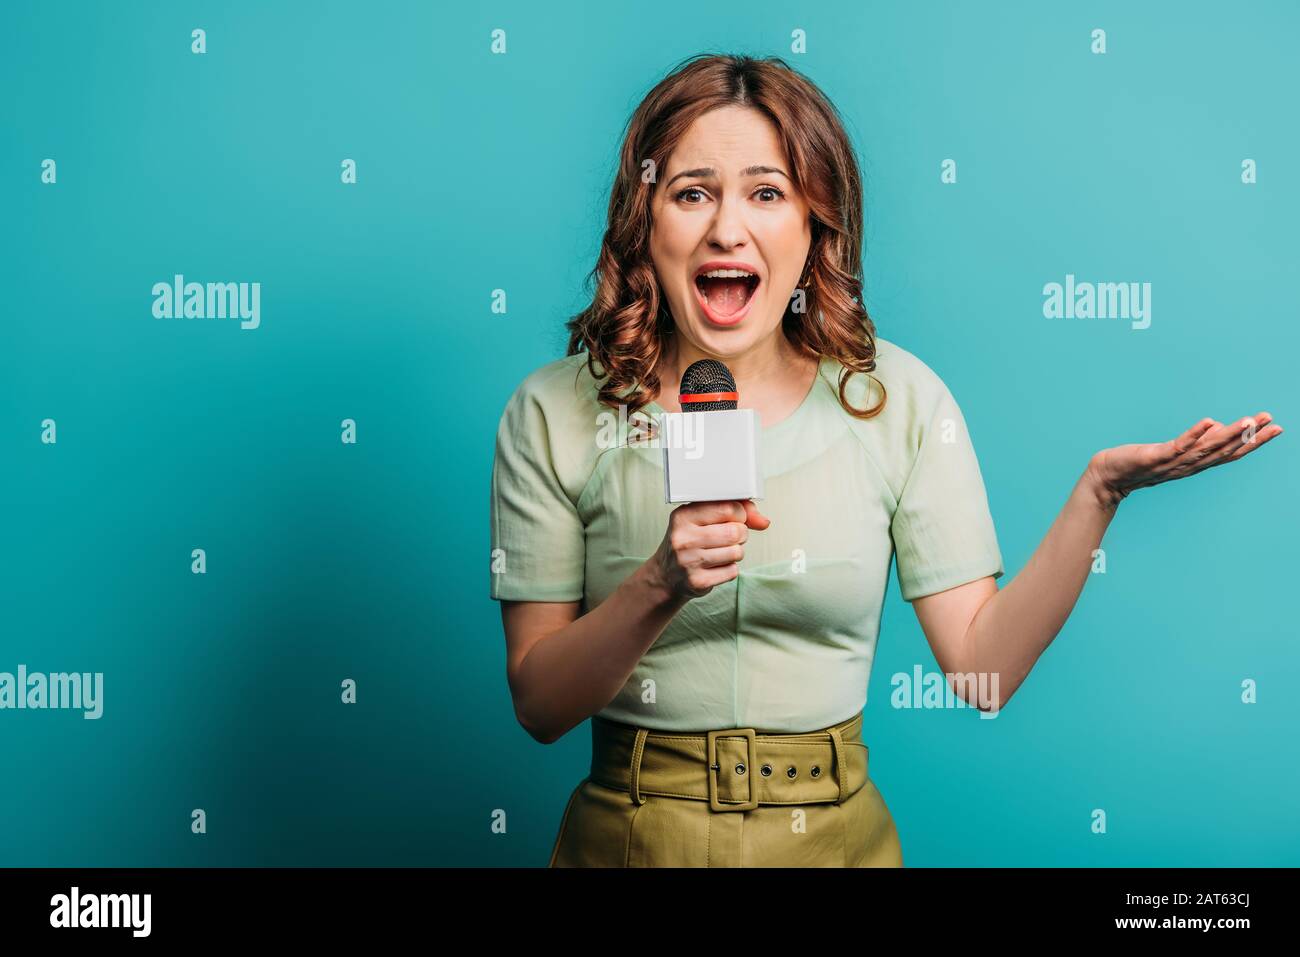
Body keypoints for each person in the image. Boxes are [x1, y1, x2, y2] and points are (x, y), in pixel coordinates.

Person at [487, 54, 1282, 867]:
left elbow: (984, 674)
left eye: (767, 192)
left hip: (835, 839)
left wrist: (1101, 493)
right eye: (692, 193)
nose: (728, 228)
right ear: (644, 219)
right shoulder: (553, 411)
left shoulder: (899, 400)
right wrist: (660, 583)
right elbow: (540, 705)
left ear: (814, 221)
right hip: (630, 837)